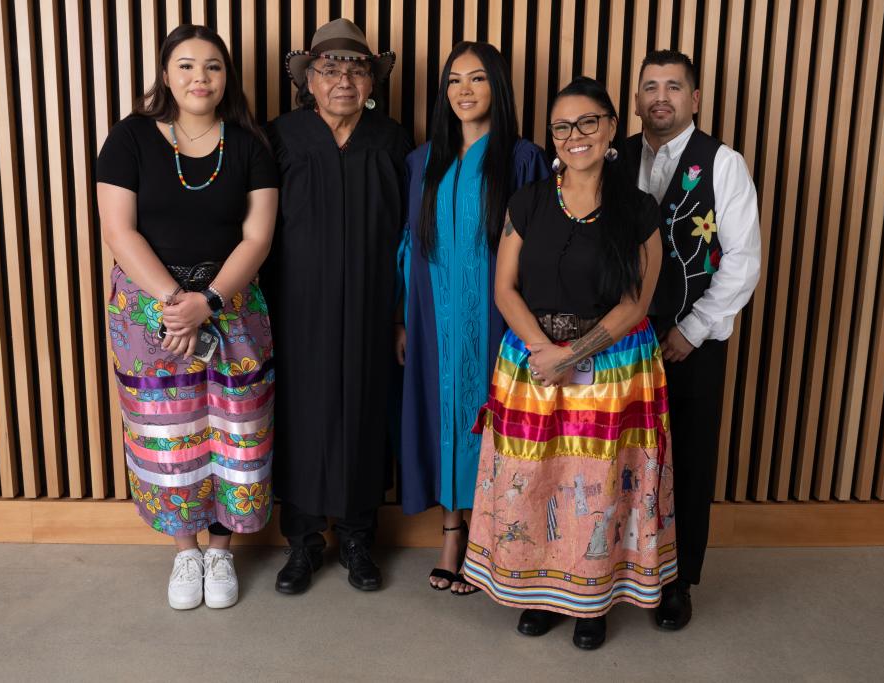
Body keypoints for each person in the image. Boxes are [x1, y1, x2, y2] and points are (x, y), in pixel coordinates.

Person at [463, 77, 674, 650]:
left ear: (609, 128)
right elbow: (505, 288)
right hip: (533, 364)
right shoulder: (527, 201)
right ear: (551, 135)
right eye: (562, 126)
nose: (574, 135)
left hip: (609, 372)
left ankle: (591, 602)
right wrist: (542, 351)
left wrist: (572, 356)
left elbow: (637, 304)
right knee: (533, 482)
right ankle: (534, 591)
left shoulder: (637, 209)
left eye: (587, 123)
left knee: (598, 486)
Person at [97, 24, 279, 610]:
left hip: (232, 305)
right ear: (166, 74)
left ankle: (222, 549)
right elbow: (118, 230)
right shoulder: (129, 139)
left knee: (237, 429)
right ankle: (185, 550)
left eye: (213, 66)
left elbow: (257, 237)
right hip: (150, 312)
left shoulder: (250, 145)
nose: (200, 77)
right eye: (186, 65)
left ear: (227, 77)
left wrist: (209, 303)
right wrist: (177, 306)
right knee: (167, 432)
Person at [264, 19, 414, 595]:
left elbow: (410, 234)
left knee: (363, 410)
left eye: (357, 68)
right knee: (301, 413)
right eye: (330, 68)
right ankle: (302, 541)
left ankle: (357, 537)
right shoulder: (281, 137)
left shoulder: (393, 140)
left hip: (374, 305)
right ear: (310, 80)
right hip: (295, 305)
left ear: (372, 79)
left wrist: (401, 314)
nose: (344, 78)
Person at [396, 41, 549, 595]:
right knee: (444, 416)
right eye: (454, 80)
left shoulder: (524, 159)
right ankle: (453, 536)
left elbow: (538, 248)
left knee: (496, 420)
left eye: (478, 79)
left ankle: (495, 539)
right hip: (434, 318)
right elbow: (409, 248)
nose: (464, 90)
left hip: (498, 321)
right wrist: (402, 320)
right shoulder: (423, 161)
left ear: (498, 88)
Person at [625, 49, 761, 630]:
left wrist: (692, 329)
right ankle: (615, 570)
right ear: (636, 99)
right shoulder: (611, 156)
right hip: (620, 344)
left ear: (695, 98)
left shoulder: (723, 163)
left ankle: (679, 581)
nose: (661, 96)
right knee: (619, 458)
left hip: (691, 341)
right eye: (650, 86)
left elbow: (743, 261)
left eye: (674, 86)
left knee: (689, 460)